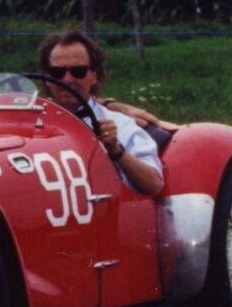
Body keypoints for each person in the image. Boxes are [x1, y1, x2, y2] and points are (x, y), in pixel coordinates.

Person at [34, 28, 166, 197]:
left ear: (93, 76)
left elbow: (154, 184)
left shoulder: (119, 124)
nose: (67, 80)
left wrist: (116, 150)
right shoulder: (31, 119)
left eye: (78, 71)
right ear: (46, 77)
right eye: (57, 73)